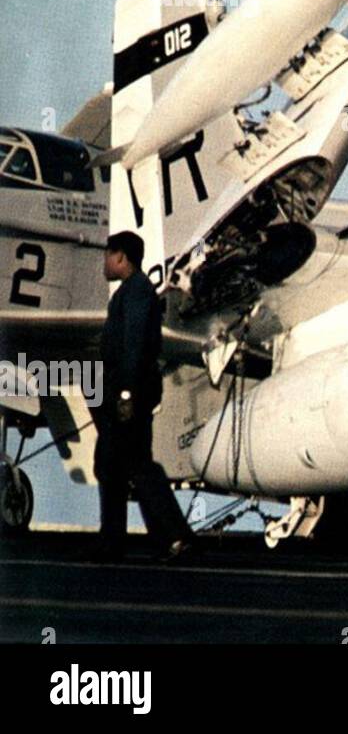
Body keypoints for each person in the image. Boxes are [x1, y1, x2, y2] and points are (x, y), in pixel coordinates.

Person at [90, 230, 195, 561]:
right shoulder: (130, 292)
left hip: (129, 395)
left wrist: (124, 394)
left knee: (129, 465)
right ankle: (148, 539)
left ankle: (171, 537)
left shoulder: (136, 293)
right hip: (127, 393)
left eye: (108, 254)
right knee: (117, 466)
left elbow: (134, 346)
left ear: (121, 257)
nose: (105, 261)